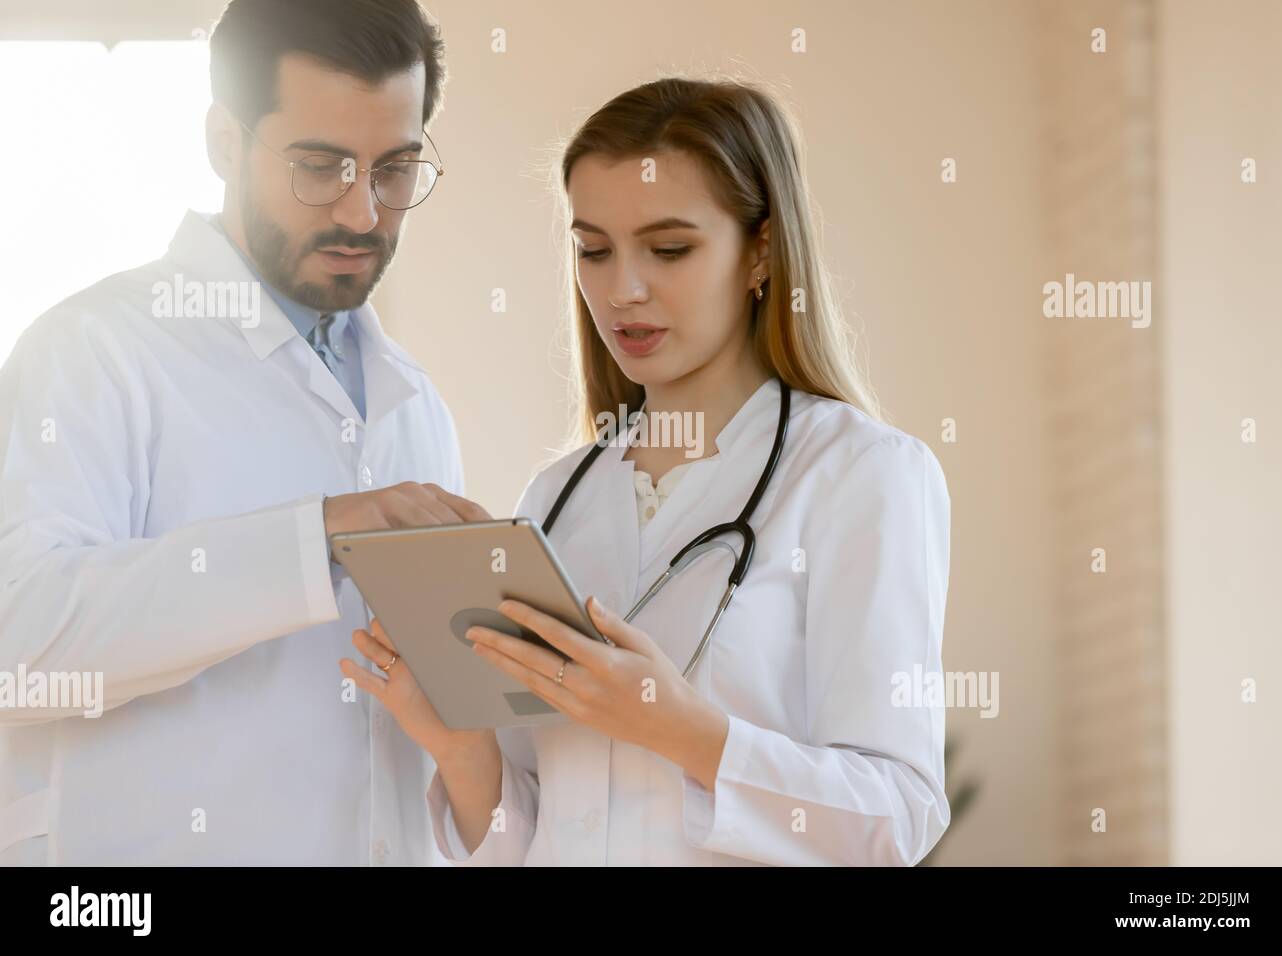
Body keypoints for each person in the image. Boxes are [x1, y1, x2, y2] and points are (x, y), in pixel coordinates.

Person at [346, 77, 953, 866]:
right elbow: (523, 840)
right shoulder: (556, 498)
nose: (622, 290)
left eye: (669, 250)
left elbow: (899, 817)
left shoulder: (861, 475)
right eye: (594, 251)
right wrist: (460, 746)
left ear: (761, 251)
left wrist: (677, 727)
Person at [0, 0, 465, 864]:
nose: (363, 213)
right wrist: (315, 536)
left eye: (394, 170)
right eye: (320, 167)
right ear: (224, 142)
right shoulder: (94, 349)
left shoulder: (416, 404)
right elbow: (17, 645)